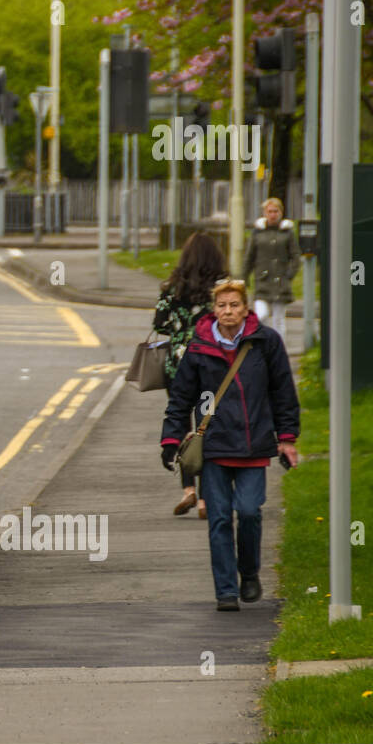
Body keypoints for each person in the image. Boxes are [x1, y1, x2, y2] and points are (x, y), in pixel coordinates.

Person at [160, 278, 300, 611]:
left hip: (254, 446)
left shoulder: (266, 342)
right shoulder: (198, 348)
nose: (228, 311)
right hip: (215, 447)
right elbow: (181, 397)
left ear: (246, 308)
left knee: (250, 513)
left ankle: (249, 574)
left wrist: (287, 438)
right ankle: (225, 591)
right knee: (220, 519)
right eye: (221, 305)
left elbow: (283, 393)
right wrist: (170, 439)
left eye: (234, 305)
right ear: (214, 309)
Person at [153, 232, 227, 519]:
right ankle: (206, 499)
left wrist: (179, 330)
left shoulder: (173, 287)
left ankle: (188, 490)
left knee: (182, 425)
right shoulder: (222, 288)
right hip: (211, 364)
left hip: (177, 367)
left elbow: (158, 323)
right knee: (207, 427)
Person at [243, 197, 300, 344]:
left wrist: (289, 274)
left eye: (275, 211)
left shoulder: (287, 232)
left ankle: (279, 349)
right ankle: (261, 345)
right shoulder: (257, 232)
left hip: (281, 283)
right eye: (269, 211)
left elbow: (295, 256)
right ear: (264, 213)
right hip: (262, 281)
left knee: (279, 319)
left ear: (281, 212)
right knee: (260, 315)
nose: (273, 214)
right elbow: (249, 256)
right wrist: (244, 277)